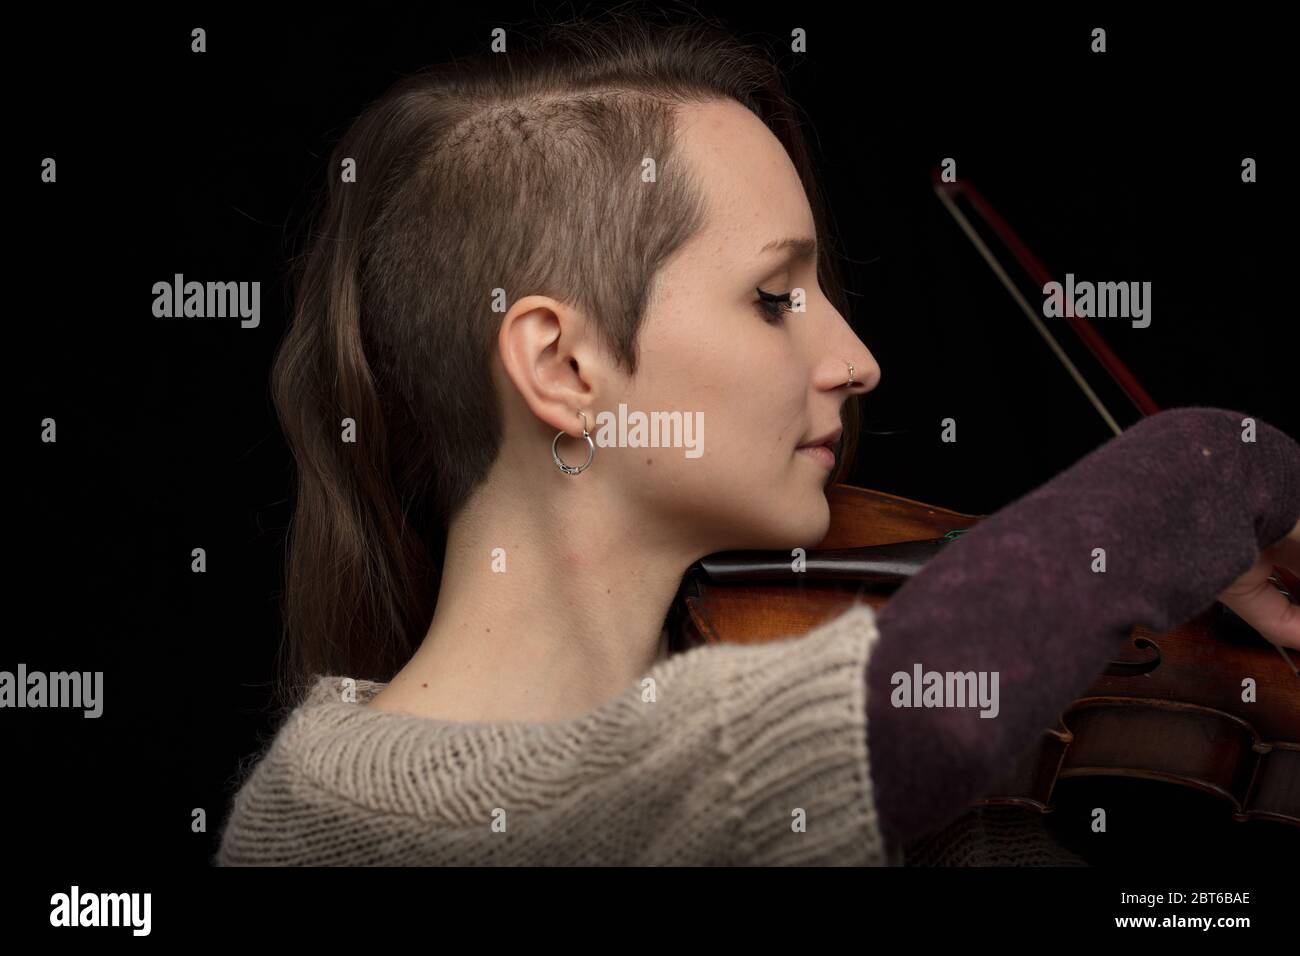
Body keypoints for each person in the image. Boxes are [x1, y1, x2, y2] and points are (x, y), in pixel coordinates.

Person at [215, 11, 1299, 866]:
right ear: (563, 366)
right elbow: (920, 714)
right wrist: (1218, 462)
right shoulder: (321, 821)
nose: (857, 358)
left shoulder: (903, 813)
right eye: (774, 295)